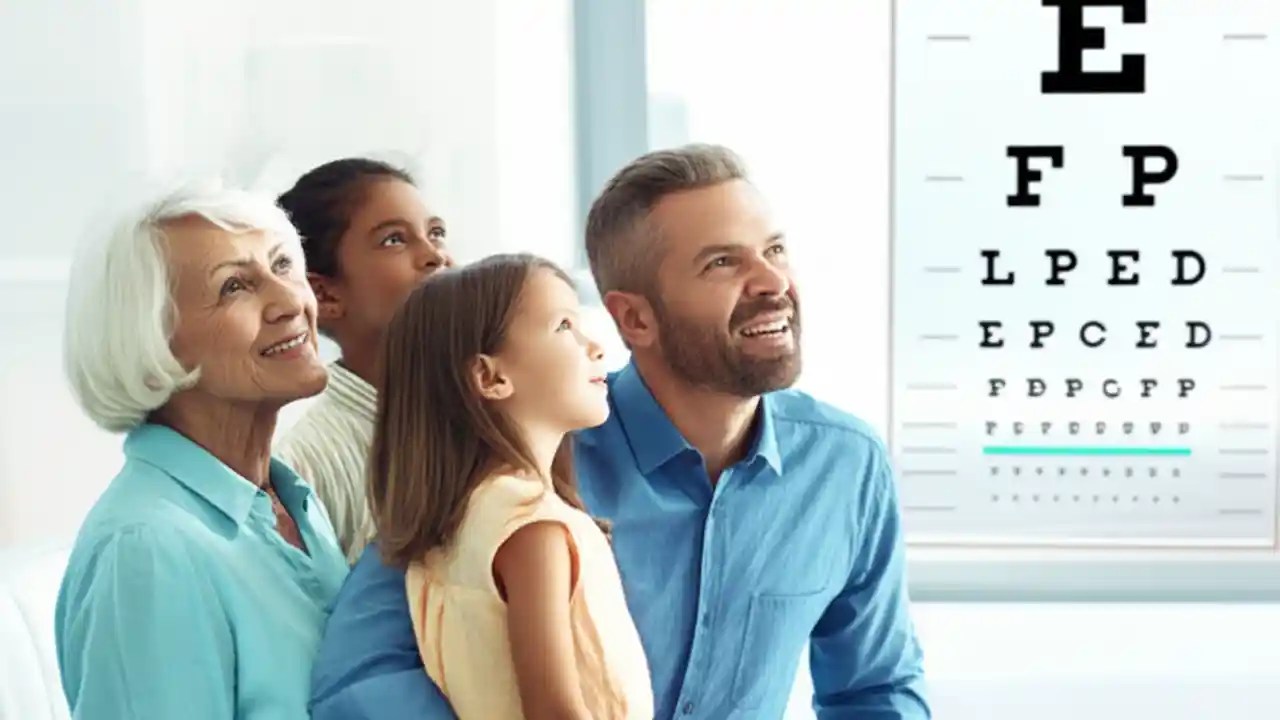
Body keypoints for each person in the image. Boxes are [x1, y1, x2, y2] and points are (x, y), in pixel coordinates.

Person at [310, 143, 931, 719]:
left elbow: (873, 689)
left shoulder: (846, 464)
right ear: (633, 318)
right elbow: (362, 675)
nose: (772, 283)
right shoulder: (517, 463)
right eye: (722, 263)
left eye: (774, 250)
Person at [55, 183, 349, 718]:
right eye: (235, 286)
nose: (291, 301)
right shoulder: (146, 549)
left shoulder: (292, 503)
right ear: (148, 341)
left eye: (284, 265)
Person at [367, 253, 653, 719]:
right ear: (491, 376)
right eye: (564, 327)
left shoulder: (465, 517)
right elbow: (554, 711)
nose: (596, 346)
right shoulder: (531, 526)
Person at [275, 158, 453, 562]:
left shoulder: (495, 414)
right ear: (325, 296)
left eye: (437, 233)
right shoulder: (302, 466)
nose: (434, 256)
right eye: (394, 240)